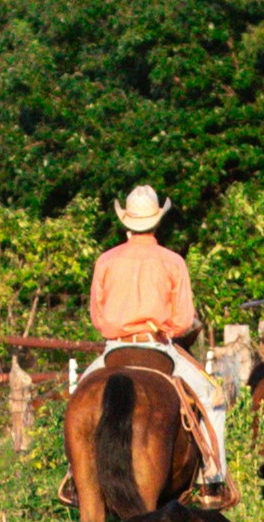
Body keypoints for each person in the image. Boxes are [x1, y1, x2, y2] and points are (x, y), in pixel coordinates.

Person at [86, 184, 225, 483]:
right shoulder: (173, 261)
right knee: (213, 397)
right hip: (159, 347)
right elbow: (183, 320)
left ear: (126, 222)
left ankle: (76, 475)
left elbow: (97, 318)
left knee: (78, 399)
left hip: (115, 349)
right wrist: (167, 329)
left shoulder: (106, 261)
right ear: (157, 221)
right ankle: (212, 476)